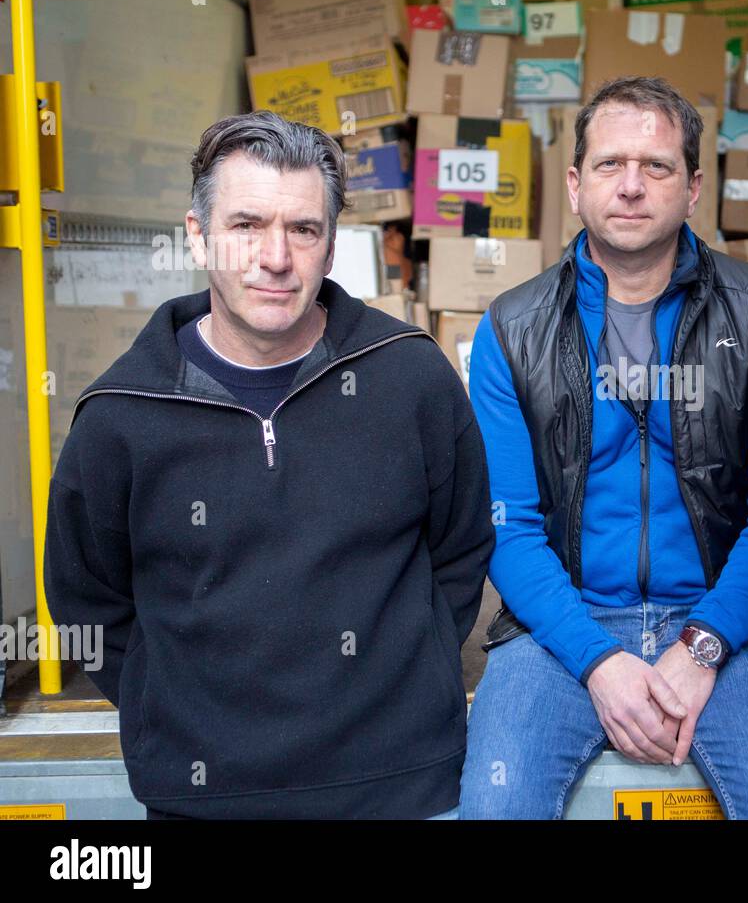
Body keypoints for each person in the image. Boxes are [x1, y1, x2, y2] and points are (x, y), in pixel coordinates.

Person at [44, 111, 494, 819]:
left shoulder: (408, 376)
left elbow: (463, 546)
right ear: (197, 235)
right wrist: (168, 700)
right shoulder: (120, 415)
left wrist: (418, 662)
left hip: (399, 782)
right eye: (246, 225)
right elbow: (87, 600)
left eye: (303, 230)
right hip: (204, 792)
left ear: (330, 245)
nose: (275, 257)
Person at [459, 77, 748, 819]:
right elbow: (508, 524)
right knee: (494, 809)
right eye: (609, 165)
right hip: (558, 631)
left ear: (694, 187)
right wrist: (597, 660)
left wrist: (704, 645)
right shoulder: (511, 328)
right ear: (574, 185)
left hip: (735, 626)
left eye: (657, 167)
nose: (631, 186)